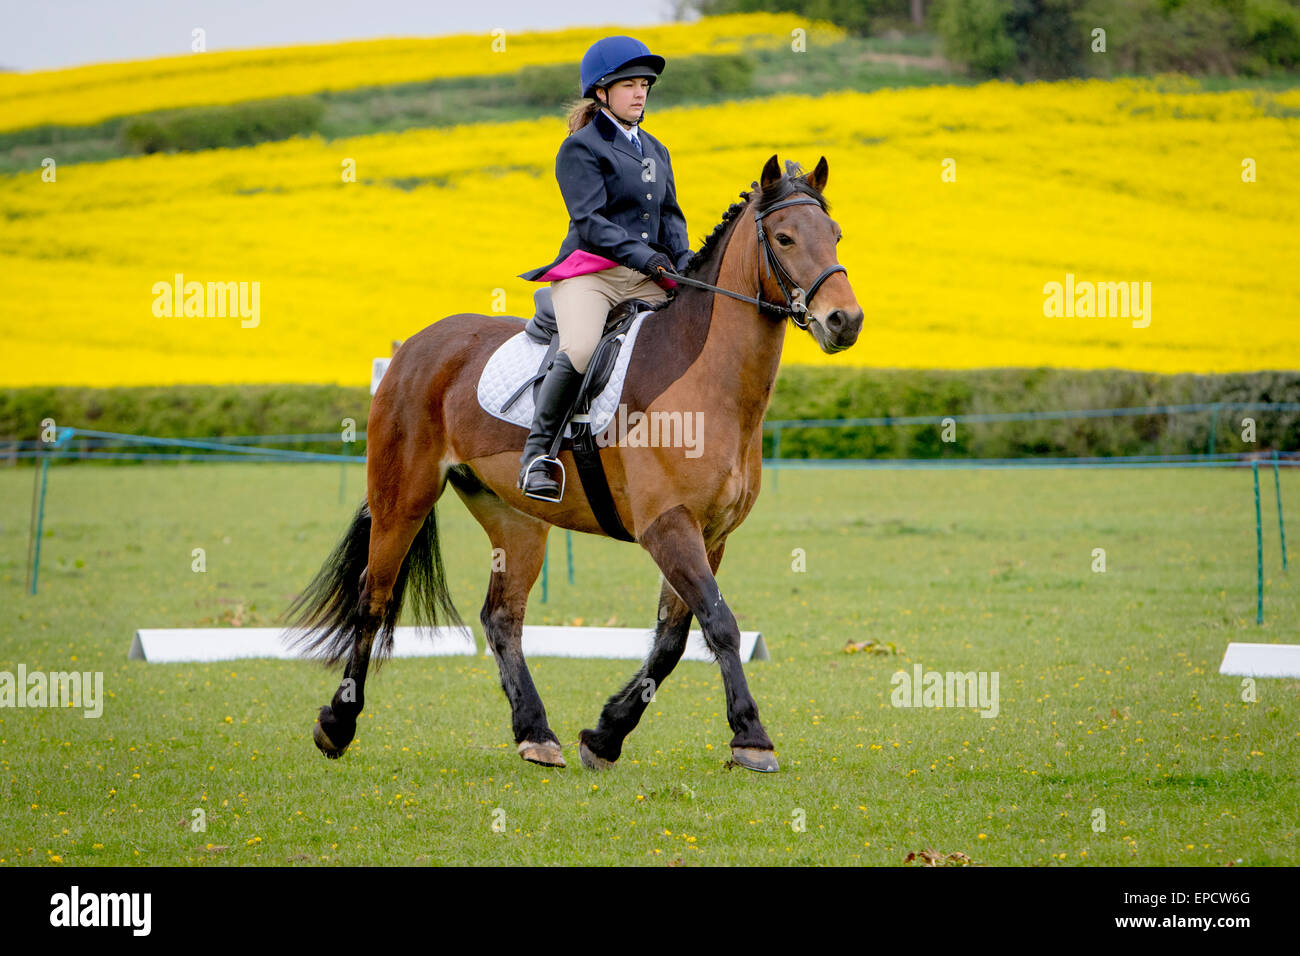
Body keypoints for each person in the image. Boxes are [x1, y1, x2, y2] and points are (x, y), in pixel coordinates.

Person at [516, 35, 693, 501]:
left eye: (645, 85)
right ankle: (538, 455)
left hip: (647, 274)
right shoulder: (580, 147)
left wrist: (687, 264)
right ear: (601, 92)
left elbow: (670, 216)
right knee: (579, 347)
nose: (640, 93)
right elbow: (589, 222)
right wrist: (649, 260)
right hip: (591, 276)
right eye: (629, 85)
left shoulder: (655, 148)